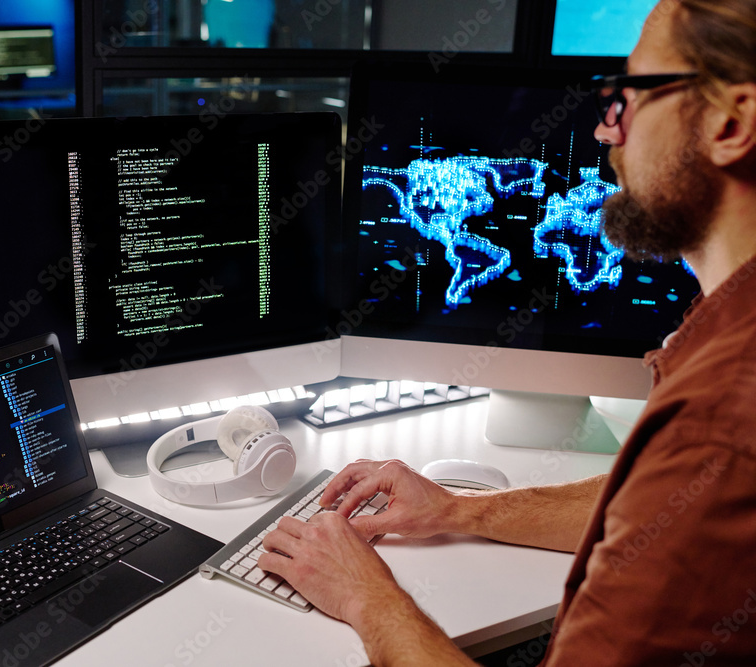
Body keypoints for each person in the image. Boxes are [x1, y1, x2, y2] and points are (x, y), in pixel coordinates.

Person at [258, 1, 756, 664]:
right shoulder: (723, 342)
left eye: (631, 96)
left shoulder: (718, 423)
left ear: (731, 123)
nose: (606, 129)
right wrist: (460, 511)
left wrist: (365, 596)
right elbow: (653, 509)